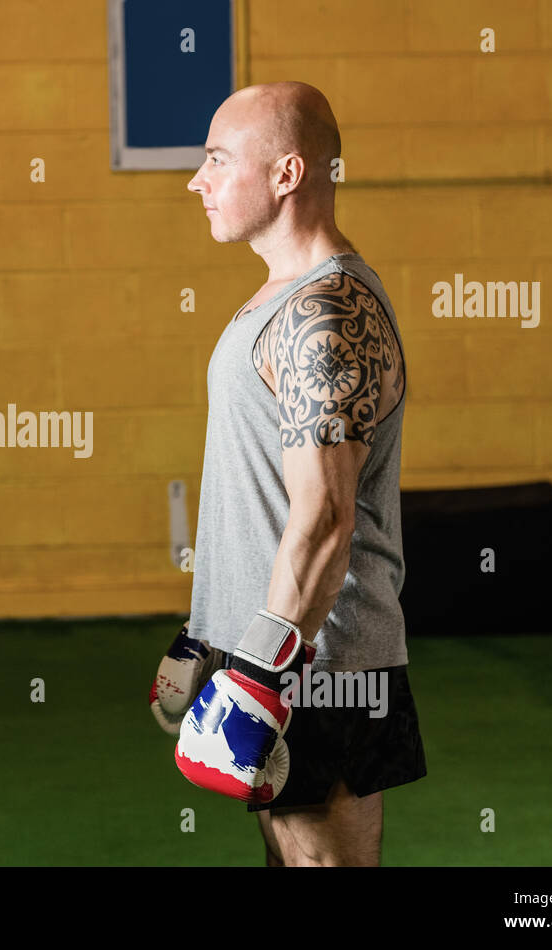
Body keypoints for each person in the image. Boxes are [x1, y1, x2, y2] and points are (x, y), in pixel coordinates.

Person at [175, 81, 425, 866]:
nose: (197, 180)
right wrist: (204, 633)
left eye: (217, 159)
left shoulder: (327, 314)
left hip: (321, 660)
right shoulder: (279, 299)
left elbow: (322, 517)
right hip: (273, 647)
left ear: (286, 175)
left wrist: (259, 671)